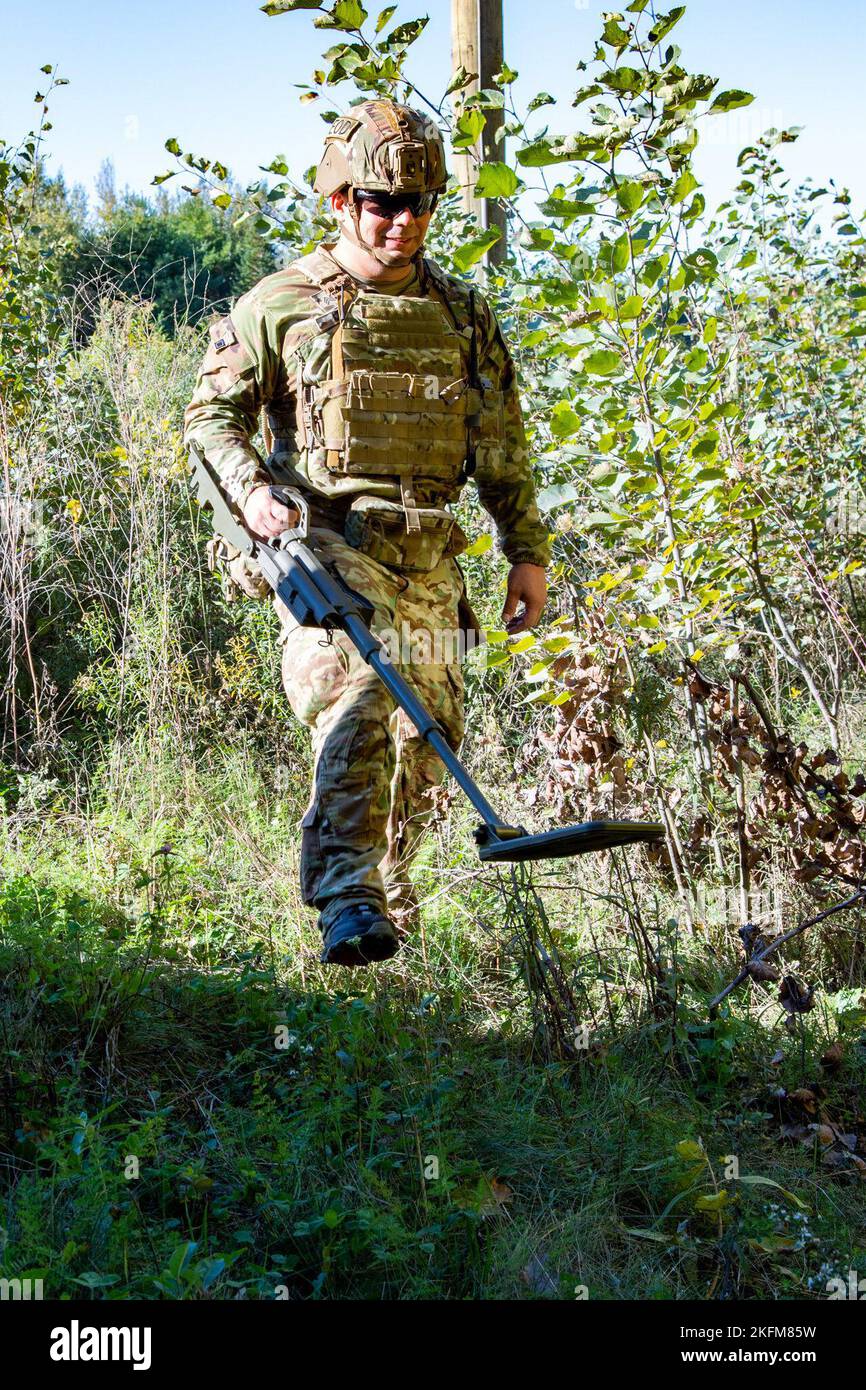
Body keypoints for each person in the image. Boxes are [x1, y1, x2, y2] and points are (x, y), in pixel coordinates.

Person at [184, 98, 550, 967]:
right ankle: (345, 897)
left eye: (421, 204)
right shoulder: (284, 303)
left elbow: (500, 440)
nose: (405, 221)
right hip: (331, 537)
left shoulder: (463, 314)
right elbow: (208, 420)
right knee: (358, 700)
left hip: (430, 549)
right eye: (385, 204)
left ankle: (391, 904)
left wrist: (525, 550)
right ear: (343, 202)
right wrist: (252, 496)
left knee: (430, 741)